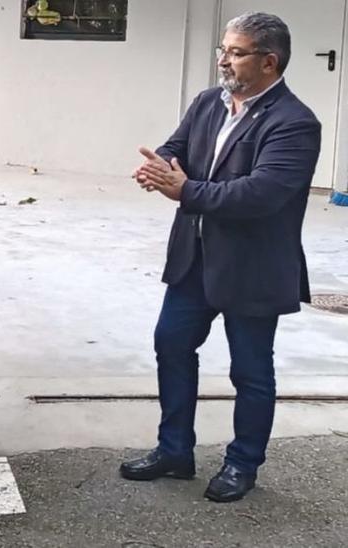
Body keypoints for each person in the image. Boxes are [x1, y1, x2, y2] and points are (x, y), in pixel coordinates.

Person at [122, 12, 320, 503]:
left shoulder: (295, 123)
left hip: (252, 268)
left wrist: (185, 189)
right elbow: (178, 145)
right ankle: (174, 451)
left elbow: (260, 195)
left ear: (269, 61)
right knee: (170, 344)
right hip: (194, 257)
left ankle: (242, 464)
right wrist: (159, 166)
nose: (223, 60)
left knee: (250, 371)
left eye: (235, 52)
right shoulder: (210, 101)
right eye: (223, 49)